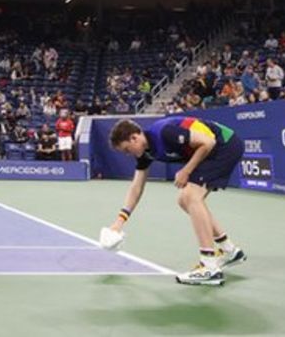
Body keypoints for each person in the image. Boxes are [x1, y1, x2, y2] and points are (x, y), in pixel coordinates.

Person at [106, 116, 247, 286]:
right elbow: (137, 187)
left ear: (134, 138)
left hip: (224, 144)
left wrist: (186, 171)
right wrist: (119, 222)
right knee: (184, 200)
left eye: (127, 150)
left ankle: (209, 265)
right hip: (216, 149)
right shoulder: (146, 152)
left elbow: (207, 142)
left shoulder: (165, 133)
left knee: (190, 196)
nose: (128, 154)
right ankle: (229, 250)